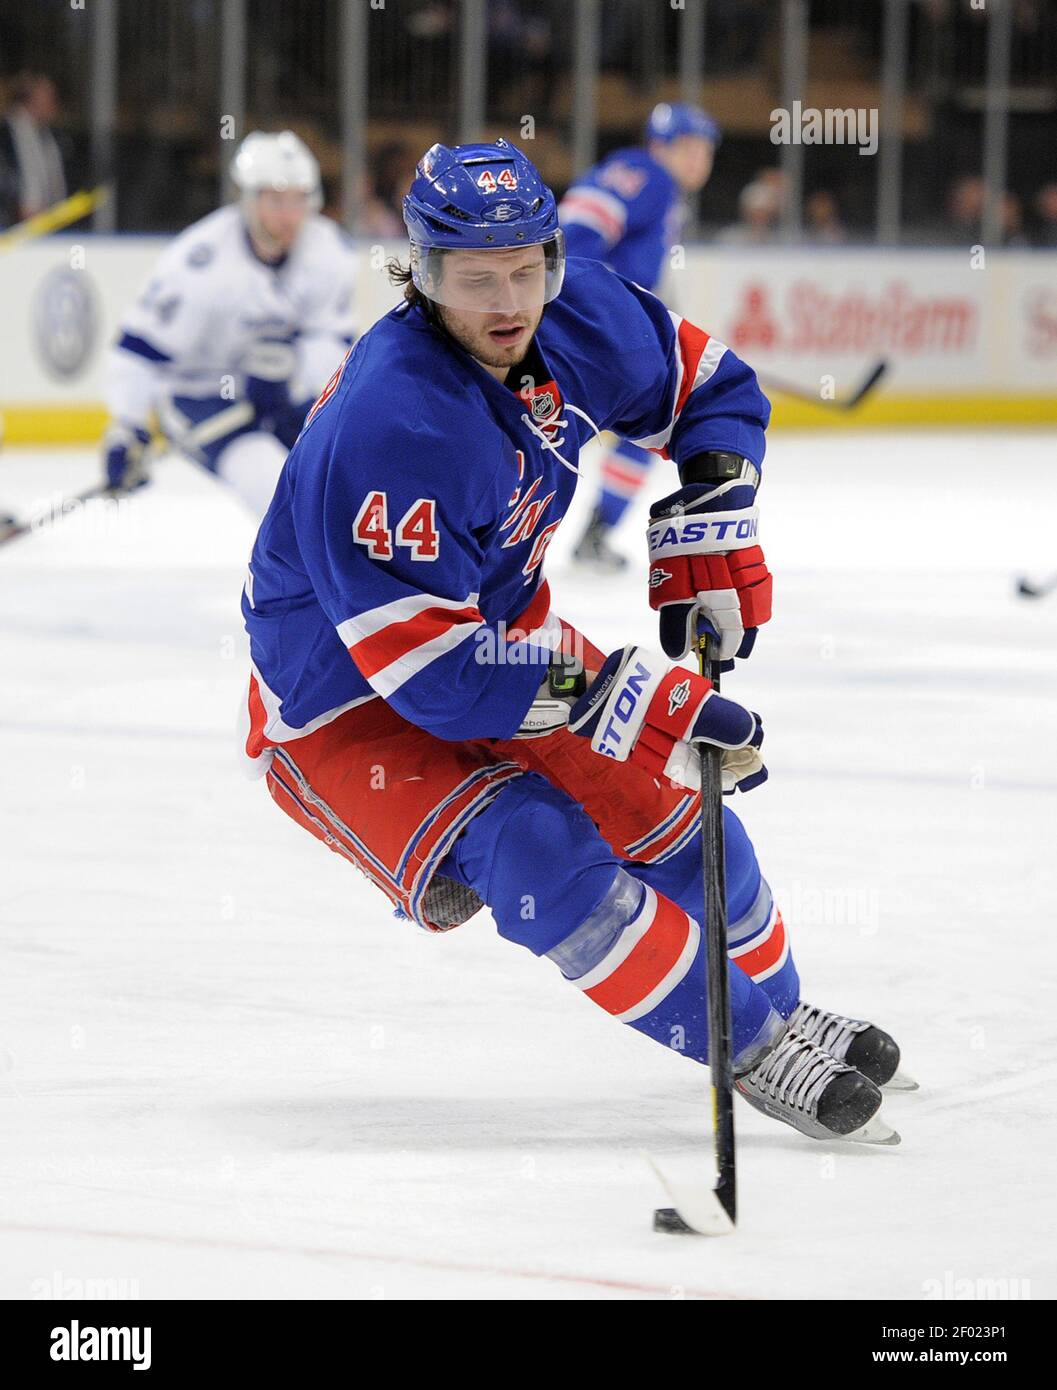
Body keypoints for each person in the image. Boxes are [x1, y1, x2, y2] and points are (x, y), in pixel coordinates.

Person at [240, 138, 910, 1147]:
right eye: (475, 278)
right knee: (538, 848)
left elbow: (708, 384)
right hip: (345, 702)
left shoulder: (579, 309)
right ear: (421, 277)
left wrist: (713, 504)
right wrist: (629, 700)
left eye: (527, 268)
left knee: (679, 811)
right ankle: (750, 1041)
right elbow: (435, 676)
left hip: (494, 639)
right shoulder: (390, 421)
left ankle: (777, 1007)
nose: (509, 301)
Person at [101, 131, 358, 516]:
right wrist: (128, 425)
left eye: (298, 201)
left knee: (349, 477)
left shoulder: (328, 251)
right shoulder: (198, 261)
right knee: (276, 490)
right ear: (249, 200)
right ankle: (292, 575)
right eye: (275, 200)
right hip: (203, 396)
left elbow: (332, 341)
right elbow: (140, 350)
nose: (289, 215)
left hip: (284, 394)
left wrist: (292, 371)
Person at [558, 102, 721, 571]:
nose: (697, 160)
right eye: (685, 148)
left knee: (645, 421)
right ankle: (589, 532)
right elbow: (578, 233)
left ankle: (593, 531)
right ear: (658, 147)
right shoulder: (646, 173)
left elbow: (644, 277)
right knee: (649, 419)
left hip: (599, 326)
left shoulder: (661, 188)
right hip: (590, 327)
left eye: (704, 150)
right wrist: (589, 301)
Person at [0, 72, 68, 227]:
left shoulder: (51, 137)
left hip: (50, 223)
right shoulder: (8, 135)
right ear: (31, 99)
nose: (53, 103)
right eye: (48, 97)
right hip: (12, 226)